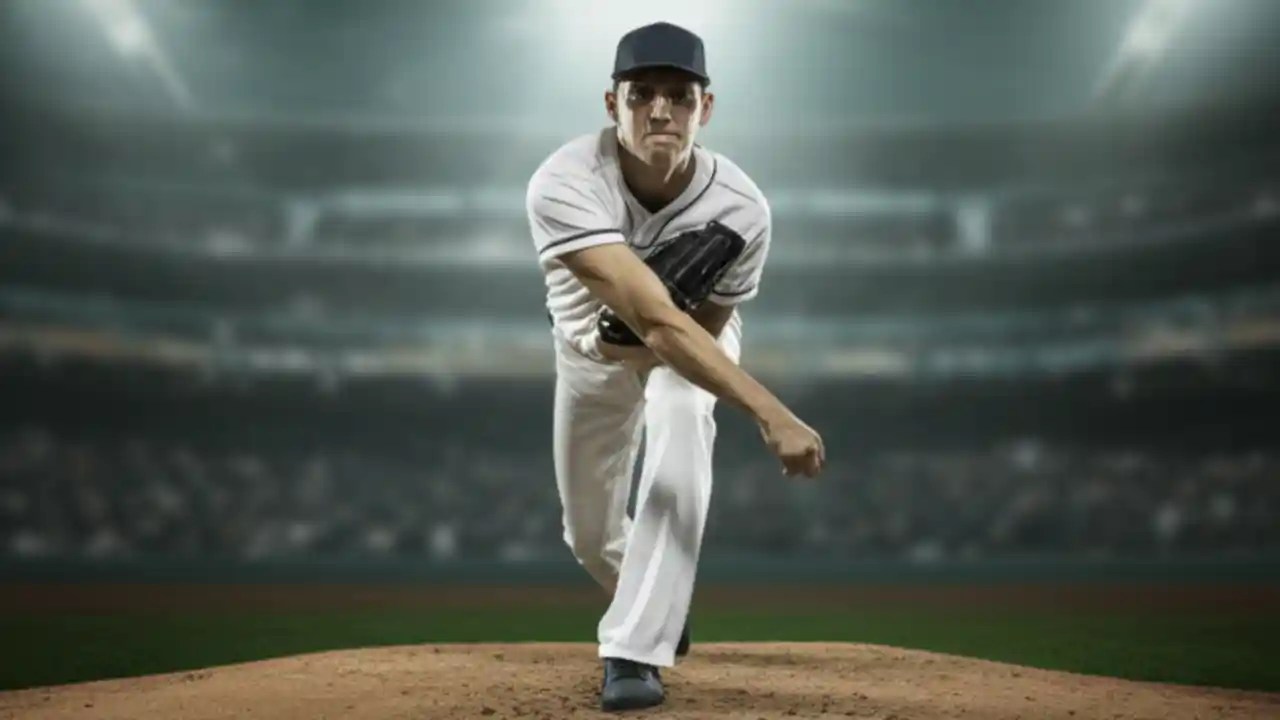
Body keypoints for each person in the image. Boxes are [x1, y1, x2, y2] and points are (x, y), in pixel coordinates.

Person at [524, 21, 826, 712]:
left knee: (685, 409)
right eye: (642, 94)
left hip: (688, 340)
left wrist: (671, 347)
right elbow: (654, 320)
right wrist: (773, 414)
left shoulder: (742, 208)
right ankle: (653, 594)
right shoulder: (563, 182)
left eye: (680, 96)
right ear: (613, 104)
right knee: (589, 536)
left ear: (704, 108)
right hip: (588, 353)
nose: (661, 110)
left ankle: (634, 649)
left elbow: (697, 331)